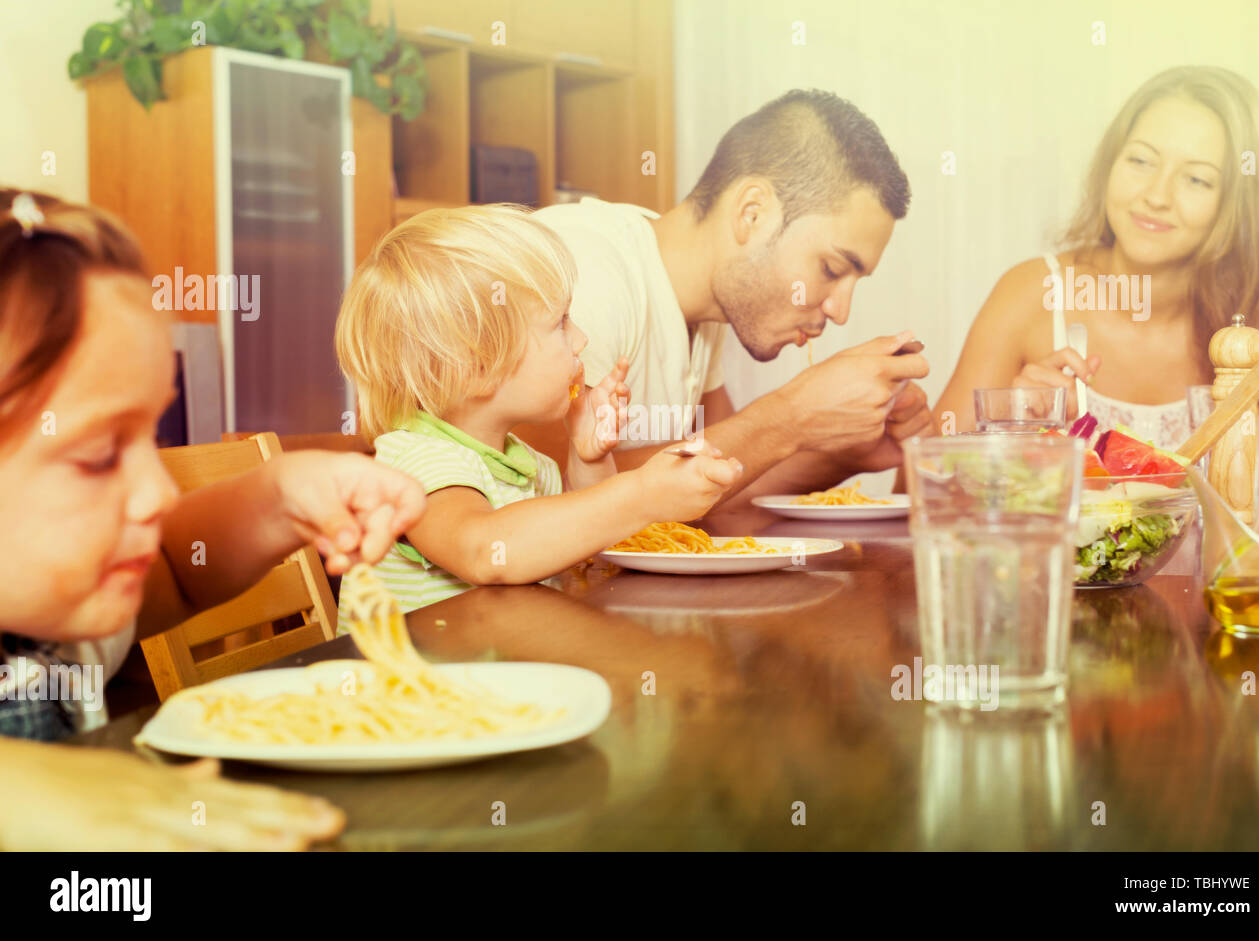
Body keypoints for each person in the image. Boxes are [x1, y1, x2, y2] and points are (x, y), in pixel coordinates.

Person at [0, 190, 428, 848]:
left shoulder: (47, 618)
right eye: (96, 454)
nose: (158, 491)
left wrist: (279, 494)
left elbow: (179, 567)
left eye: (152, 436)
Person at [520, 89, 931, 507]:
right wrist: (790, 414)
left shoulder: (706, 309)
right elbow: (544, 495)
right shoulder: (584, 268)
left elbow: (718, 483)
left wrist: (844, 456)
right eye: (830, 269)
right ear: (752, 213)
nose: (839, 311)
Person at [334, 204, 742, 612]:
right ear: (479, 367)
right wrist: (641, 493)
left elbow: (582, 542)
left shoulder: (525, 464)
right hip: (412, 674)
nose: (581, 339)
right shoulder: (414, 462)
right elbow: (485, 550)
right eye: (561, 322)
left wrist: (589, 458)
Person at [934, 66, 1259, 448]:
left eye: (1196, 179)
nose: (1156, 196)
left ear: (1240, 205)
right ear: (1111, 161)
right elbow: (914, 486)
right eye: (1141, 161)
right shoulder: (1032, 293)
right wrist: (1009, 432)